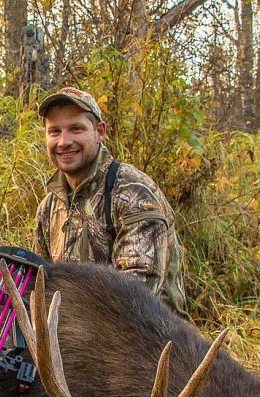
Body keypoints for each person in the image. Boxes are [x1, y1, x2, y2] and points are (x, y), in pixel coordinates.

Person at [33, 87, 188, 318]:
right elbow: (40, 285)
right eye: (54, 131)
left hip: (148, 332)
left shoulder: (132, 192)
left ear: (100, 132)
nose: (64, 142)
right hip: (76, 331)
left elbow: (137, 296)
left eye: (76, 129)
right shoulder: (48, 207)